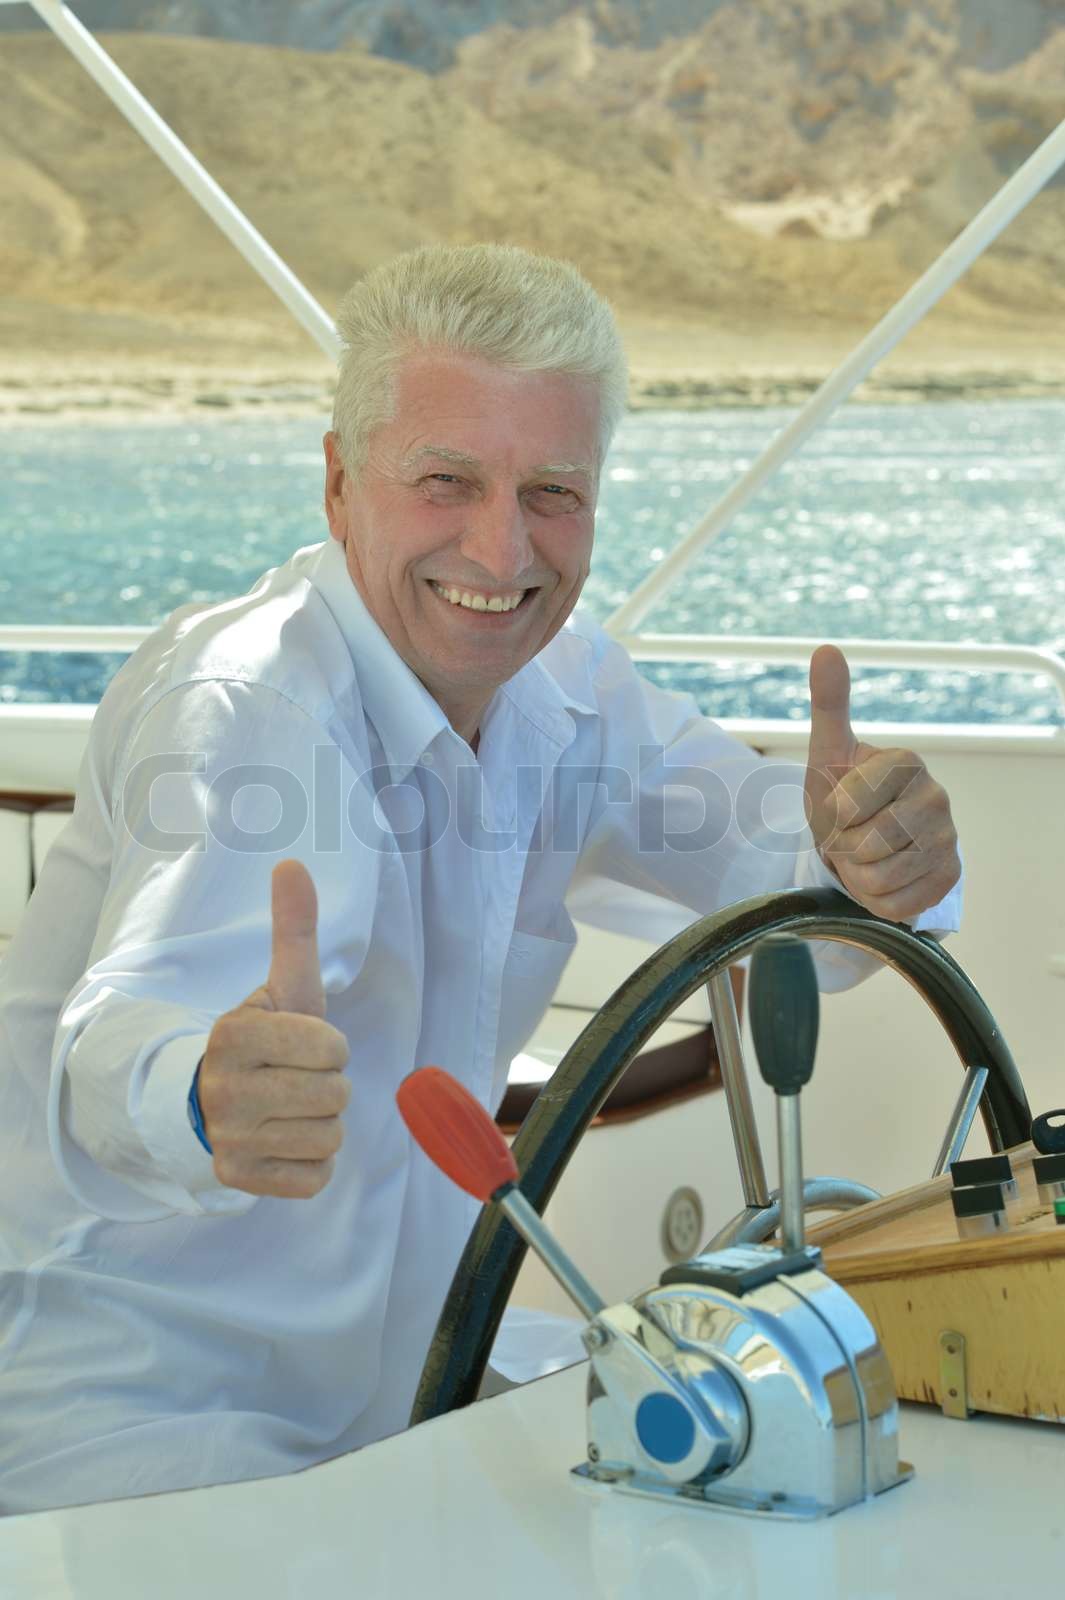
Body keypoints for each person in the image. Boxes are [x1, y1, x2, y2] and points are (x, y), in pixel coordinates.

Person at [0, 243, 960, 1514]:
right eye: (446, 480)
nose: (502, 549)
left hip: (411, 1380)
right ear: (340, 483)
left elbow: (796, 887)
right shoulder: (245, 708)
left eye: (552, 491)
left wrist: (880, 853)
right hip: (131, 1404)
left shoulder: (569, 688)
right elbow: (115, 1040)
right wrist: (199, 1093)